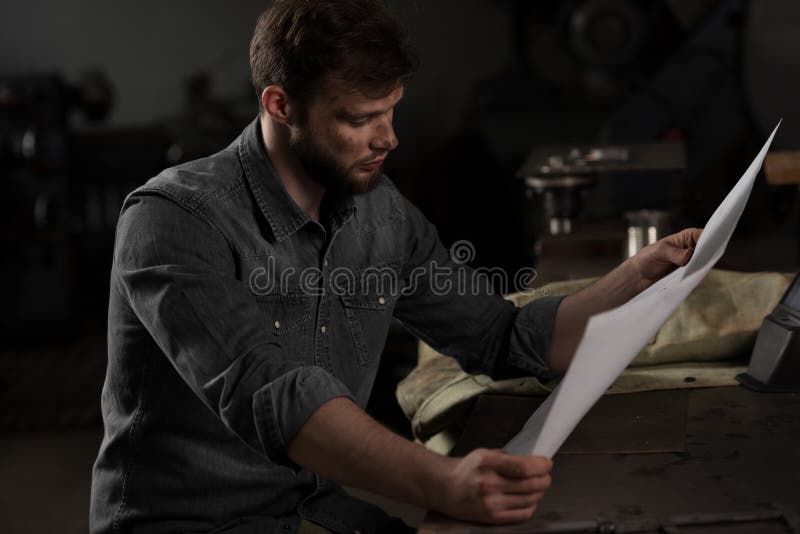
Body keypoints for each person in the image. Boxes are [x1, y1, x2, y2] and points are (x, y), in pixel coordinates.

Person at [90, 0, 701, 532]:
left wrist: (635, 278)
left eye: (391, 111)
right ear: (280, 105)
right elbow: (272, 394)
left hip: (314, 509)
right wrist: (443, 481)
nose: (388, 139)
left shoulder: (381, 213)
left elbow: (501, 336)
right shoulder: (172, 219)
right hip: (197, 525)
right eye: (359, 119)